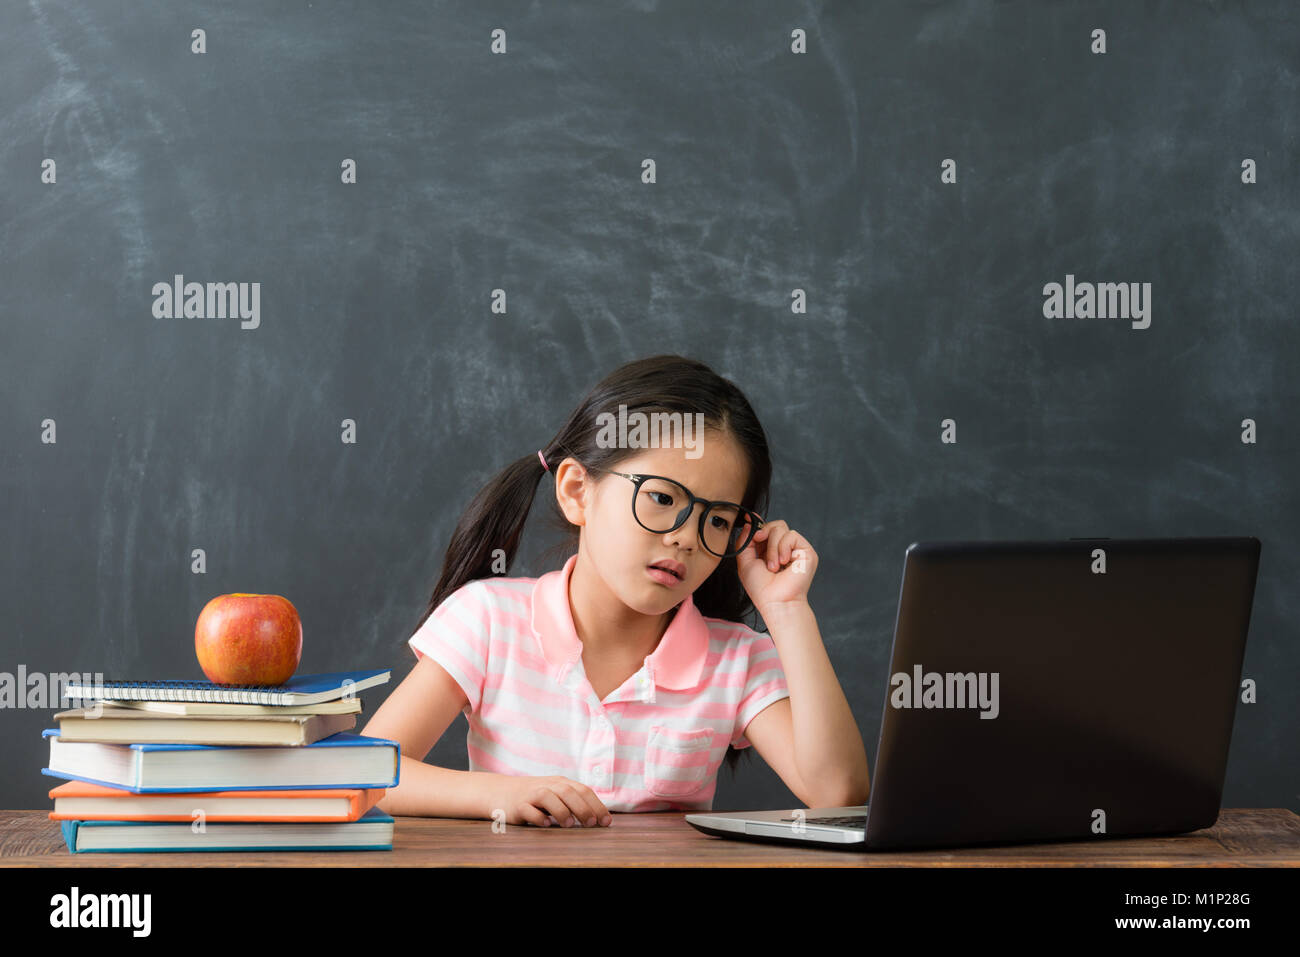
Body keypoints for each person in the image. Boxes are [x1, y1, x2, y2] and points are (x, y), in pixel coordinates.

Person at [362, 354, 869, 827]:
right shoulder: (489, 620)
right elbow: (368, 773)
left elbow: (839, 794)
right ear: (577, 491)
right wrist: (502, 794)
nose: (686, 538)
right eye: (662, 498)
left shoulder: (735, 660)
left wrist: (787, 610)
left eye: (718, 520)